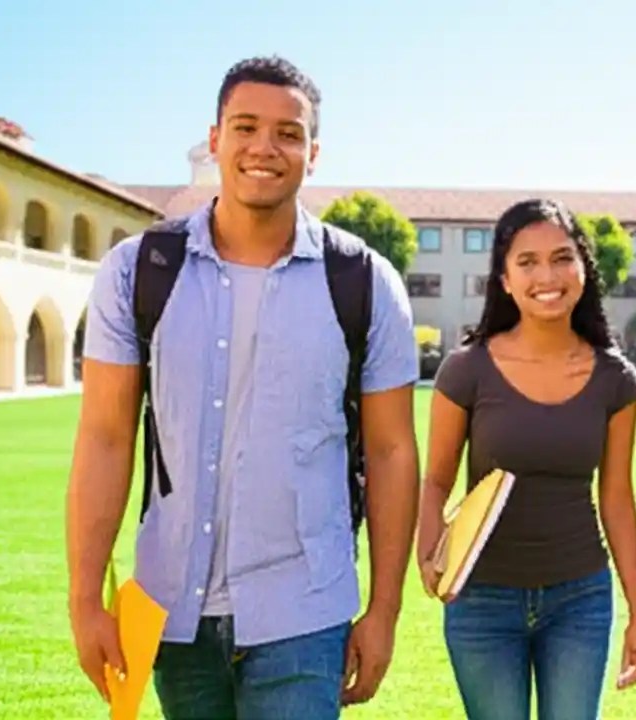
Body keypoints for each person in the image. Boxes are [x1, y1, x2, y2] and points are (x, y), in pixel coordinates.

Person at [65, 55, 421, 719]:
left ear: (313, 153)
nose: (265, 147)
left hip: (305, 615)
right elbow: (106, 437)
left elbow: (393, 451)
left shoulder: (366, 283)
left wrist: (384, 611)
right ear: (215, 138)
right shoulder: (135, 271)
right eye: (246, 127)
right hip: (171, 610)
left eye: (288, 133)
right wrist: (86, 597)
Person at [415, 198, 636, 720]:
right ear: (504, 279)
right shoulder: (466, 370)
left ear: (584, 269)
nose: (547, 274)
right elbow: (435, 480)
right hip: (482, 601)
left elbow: (616, 498)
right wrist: (427, 543)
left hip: (580, 600)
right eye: (527, 262)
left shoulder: (616, 379)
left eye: (563, 257)